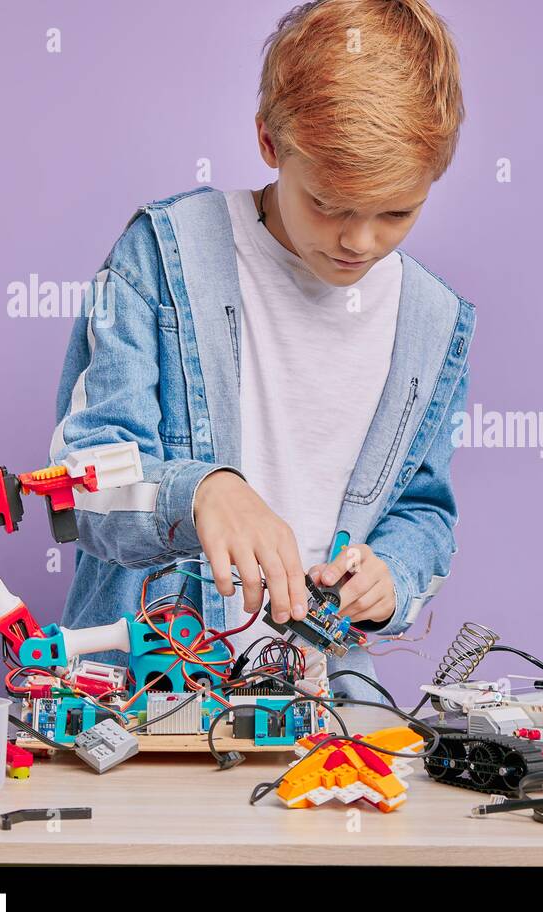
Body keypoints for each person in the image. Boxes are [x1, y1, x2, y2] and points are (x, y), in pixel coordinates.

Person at [50, 0, 473, 701]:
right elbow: (77, 487)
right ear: (270, 145)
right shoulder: (163, 255)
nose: (359, 242)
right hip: (143, 696)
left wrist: (392, 571)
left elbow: (425, 510)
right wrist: (202, 493)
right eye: (330, 204)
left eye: (396, 212)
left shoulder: (434, 320)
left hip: (322, 697)